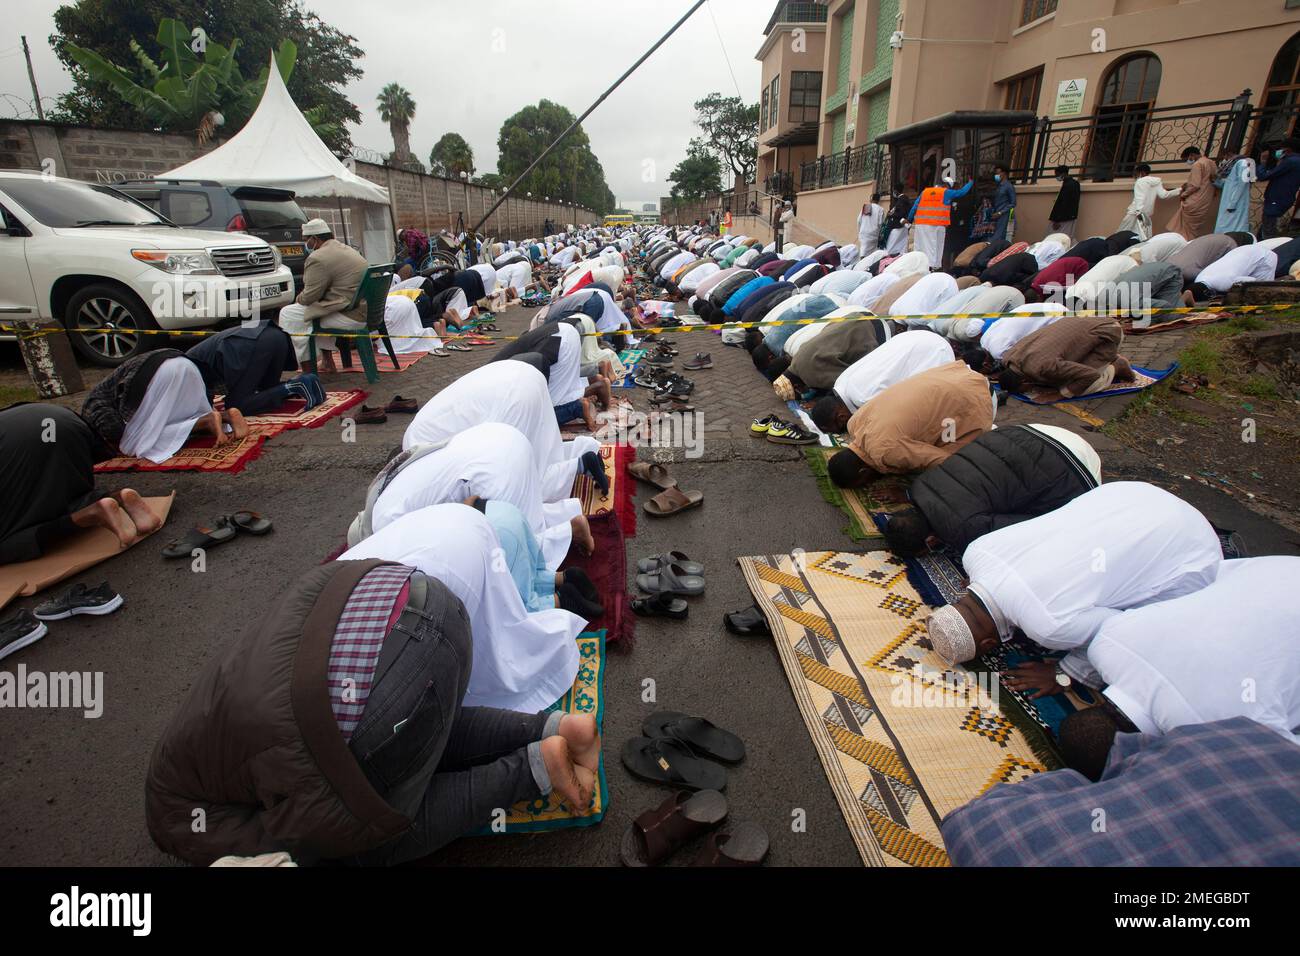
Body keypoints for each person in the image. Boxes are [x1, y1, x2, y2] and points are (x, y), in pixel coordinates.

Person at [144, 557, 600, 866]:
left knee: (367, 837)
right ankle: (554, 726)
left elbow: (300, 839)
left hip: (392, 684)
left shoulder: (179, 814)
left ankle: (534, 768)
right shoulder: (203, 726)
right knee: (424, 731)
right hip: (430, 599)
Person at [925, 481, 1221, 691]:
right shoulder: (976, 553)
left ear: (989, 645)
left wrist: (1064, 673)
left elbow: (1122, 632)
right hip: (1132, 494)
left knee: (1158, 627)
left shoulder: (1049, 627)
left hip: (1192, 551)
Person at [1069, 555, 1300, 780]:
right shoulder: (1107, 643)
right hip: (1277, 566)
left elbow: (1283, 766)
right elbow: (1199, 581)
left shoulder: (1230, 733)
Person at [340, 504, 586, 713]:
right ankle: (559, 583)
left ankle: (557, 607)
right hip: (479, 518)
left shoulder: (353, 595)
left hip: (456, 558)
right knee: (505, 600)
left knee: (490, 644)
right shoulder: (379, 536)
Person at [351, 422, 594, 570]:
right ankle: (569, 519)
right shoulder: (388, 484)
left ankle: (566, 535)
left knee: (506, 556)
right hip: (502, 437)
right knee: (527, 507)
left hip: (492, 471)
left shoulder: (387, 522)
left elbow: (448, 533)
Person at [881, 424, 1101, 558]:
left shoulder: (964, 529)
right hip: (1029, 431)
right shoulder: (920, 485)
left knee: (1060, 526)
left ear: (930, 542)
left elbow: (1025, 531)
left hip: (1077, 465)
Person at [401, 361, 603, 502]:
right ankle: (584, 452)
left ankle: (578, 466)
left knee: (520, 480)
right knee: (545, 450)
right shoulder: (416, 433)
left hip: (512, 399)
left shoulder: (419, 447)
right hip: (524, 374)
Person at [0, 403, 161, 565]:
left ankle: (92, 512)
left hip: (19, 443)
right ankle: (119, 499)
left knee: (10, 538)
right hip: (58, 417)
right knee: (66, 493)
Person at [826, 359, 994, 487]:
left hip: (971, 394)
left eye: (864, 483)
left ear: (863, 472)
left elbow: (942, 460)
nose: (869, 485)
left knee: (954, 457)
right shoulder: (854, 424)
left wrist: (909, 491)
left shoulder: (886, 452)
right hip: (949, 375)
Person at [80, 349, 243, 464]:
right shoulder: (102, 393)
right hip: (185, 363)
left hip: (157, 375)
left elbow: (114, 431)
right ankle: (225, 416)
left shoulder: (92, 407)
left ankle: (206, 421)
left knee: (137, 441)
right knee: (173, 419)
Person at [810, 329, 955, 433]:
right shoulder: (841, 383)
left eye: (842, 429)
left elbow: (900, 415)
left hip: (934, 352)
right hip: (914, 338)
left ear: (842, 418)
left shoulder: (865, 399)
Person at [278, 219, 370, 372]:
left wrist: (298, 298)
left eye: (306, 240)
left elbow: (308, 297)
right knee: (314, 312)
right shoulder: (346, 249)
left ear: (314, 239)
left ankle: (308, 371)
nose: (306, 245)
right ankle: (327, 362)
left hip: (350, 315)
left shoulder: (317, 258)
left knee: (289, 313)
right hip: (363, 310)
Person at [185, 321, 323, 415]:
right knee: (268, 389)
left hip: (253, 345)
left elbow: (203, 403)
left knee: (236, 406)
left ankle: (295, 385)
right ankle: (307, 380)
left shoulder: (186, 367)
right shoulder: (189, 359)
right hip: (276, 334)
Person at [997, 316, 1133, 398]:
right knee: (1058, 377)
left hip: (1107, 332)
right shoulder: (1008, 356)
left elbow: (1090, 375)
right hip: (1086, 322)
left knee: (1085, 386)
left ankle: (1117, 366)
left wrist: (1060, 395)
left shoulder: (1044, 367)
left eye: (1025, 390)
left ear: (1025, 382)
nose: (1030, 391)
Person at [909, 177, 974, 269]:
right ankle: (933, 268)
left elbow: (915, 206)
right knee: (937, 248)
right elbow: (962, 192)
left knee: (923, 247)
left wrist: (909, 219)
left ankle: (922, 267)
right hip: (938, 225)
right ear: (947, 186)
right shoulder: (946, 192)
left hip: (922, 224)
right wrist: (971, 182)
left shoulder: (925, 192)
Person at [1167, 147, 1219, 240]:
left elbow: (1195, 185)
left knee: (1184, 229)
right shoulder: (1211, 163)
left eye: (1187, 159)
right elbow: (1212, 180)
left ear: (1192, 155)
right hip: (1206, 200)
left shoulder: (1198, 164)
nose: (1188, 161)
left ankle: (1183, 244)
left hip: (1195, 200)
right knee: (1194, 229)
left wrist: (1183, 195)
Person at [1118, 164, 1180, 240]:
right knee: (1141, 237)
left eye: (1137, 173)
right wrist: (1179, 190)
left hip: (1135, 213)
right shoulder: (1157, 182)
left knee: (1122, 233)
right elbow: (1164, 195)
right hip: (1146, 214)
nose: (1136, 175)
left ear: (1142, 172)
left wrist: (1139, 211)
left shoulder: (1140, 181)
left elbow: (1140, 197)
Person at [1255, 137, 1300, 239]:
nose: (1278, 151)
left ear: (1288, 150)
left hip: (1276, 200)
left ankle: (1267, 251)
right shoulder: (1295, 161)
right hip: (1284, 199)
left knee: (1269, 233)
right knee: (1266, 228)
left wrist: (1263, 162)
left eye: (1281, 149)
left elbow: (1263, 176)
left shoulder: (1290, 161)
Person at [1213, 153, 1256, 234]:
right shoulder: (1235, 165)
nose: (1225, 159)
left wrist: (1233, 204)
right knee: (1225, 227)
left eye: (1225, 157)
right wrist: (1216, 181)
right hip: (1229, 202)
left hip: (1235, 204)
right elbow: (1229, 184)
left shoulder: (1243, 163)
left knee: (1233, 228)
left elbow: (1242, 184)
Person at [1048, 165, 1080, 241]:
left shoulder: (1068, 185)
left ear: (1062, 174)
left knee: (1055, 238)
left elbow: (1064, 203)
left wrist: (1057, 220)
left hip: (1063, 219)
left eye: (1057, 174)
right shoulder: (1074, 183)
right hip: (1069, 216)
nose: (1056, 176)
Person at [990, 164, 1017, 242]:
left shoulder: (1008, 186)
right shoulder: (999, 186)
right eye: (995, 174)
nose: (996, 176)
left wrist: (1000, 213)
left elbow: (1013, 203)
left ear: (1004, 173)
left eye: (998, 173)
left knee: (999, 237)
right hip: (996, 214)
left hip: (1004, 215)